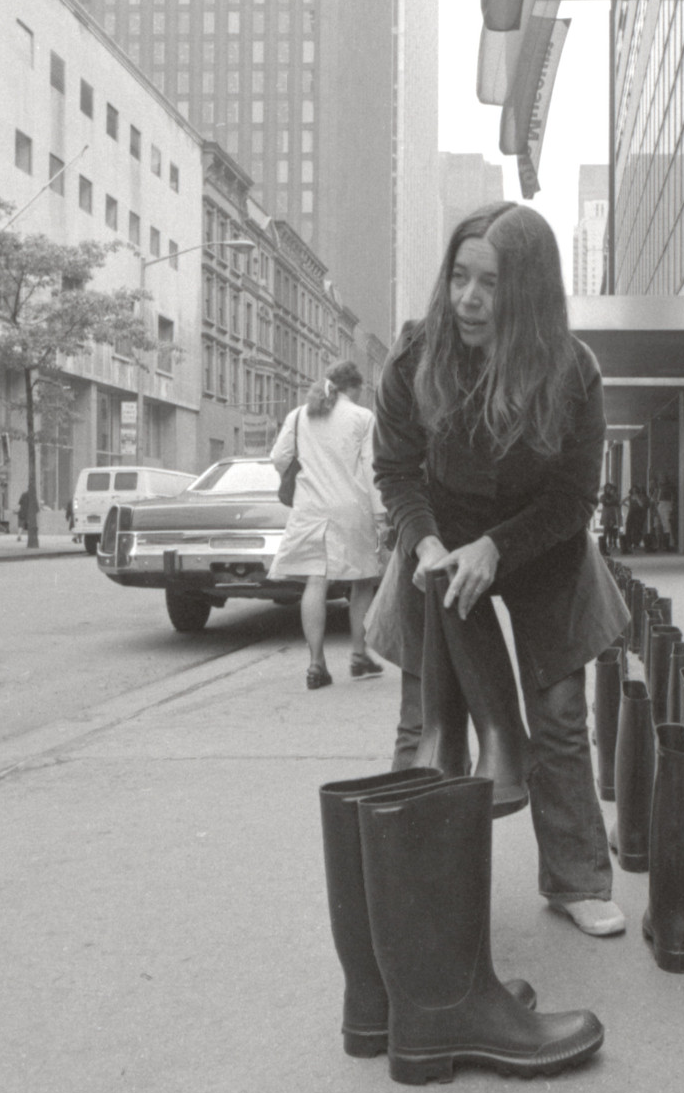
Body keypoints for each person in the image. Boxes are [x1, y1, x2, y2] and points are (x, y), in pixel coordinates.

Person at [370, 202, 630, 937]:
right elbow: (395, 469)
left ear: (529, 293)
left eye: (490, 284)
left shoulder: (573, 371)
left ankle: (575, 878)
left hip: (541, 549)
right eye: (459, 278)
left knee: (557, 713)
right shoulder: (417, 354)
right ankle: (412, 878)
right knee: (427, 711)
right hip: (440, 549)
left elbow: (574, 497)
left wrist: (499, 548)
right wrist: (422, 544)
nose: (469, 300)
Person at [269, 359, 386, 688]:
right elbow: (371, 467)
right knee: (362, 582)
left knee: (315, 581)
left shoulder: (298, 415)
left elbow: (278, 457)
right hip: (351, 508)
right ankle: (359, 656)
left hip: (310, 509)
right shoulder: (363, 417)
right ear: (356, 388)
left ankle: (316, 664)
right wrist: (381, 515)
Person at [599, 480, 621, 554]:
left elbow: (617, 502)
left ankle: (613, 543)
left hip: (612, 512)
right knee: (606, 528)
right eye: (607, 488)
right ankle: (605, 543)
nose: (608, 489)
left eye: (609, 488)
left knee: (613, 528)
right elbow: (603, 501)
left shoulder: (615, 495)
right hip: (606, 513)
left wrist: (613, 497)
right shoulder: (603, 496)